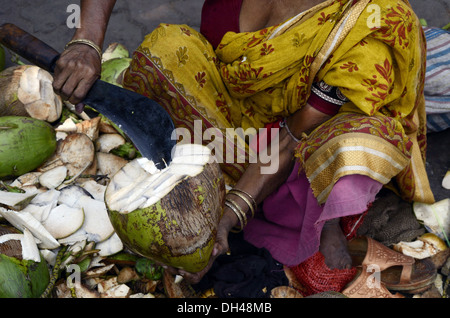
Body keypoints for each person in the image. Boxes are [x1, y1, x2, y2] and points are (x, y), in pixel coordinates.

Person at [53, 0, 437, 297]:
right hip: (238, 114)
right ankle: (239, 196)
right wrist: (86, 40)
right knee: (165, 51)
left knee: (356, 145)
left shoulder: (361, 21)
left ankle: (329, 221)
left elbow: (289, 138)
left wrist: (227, 216)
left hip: (310, 134)